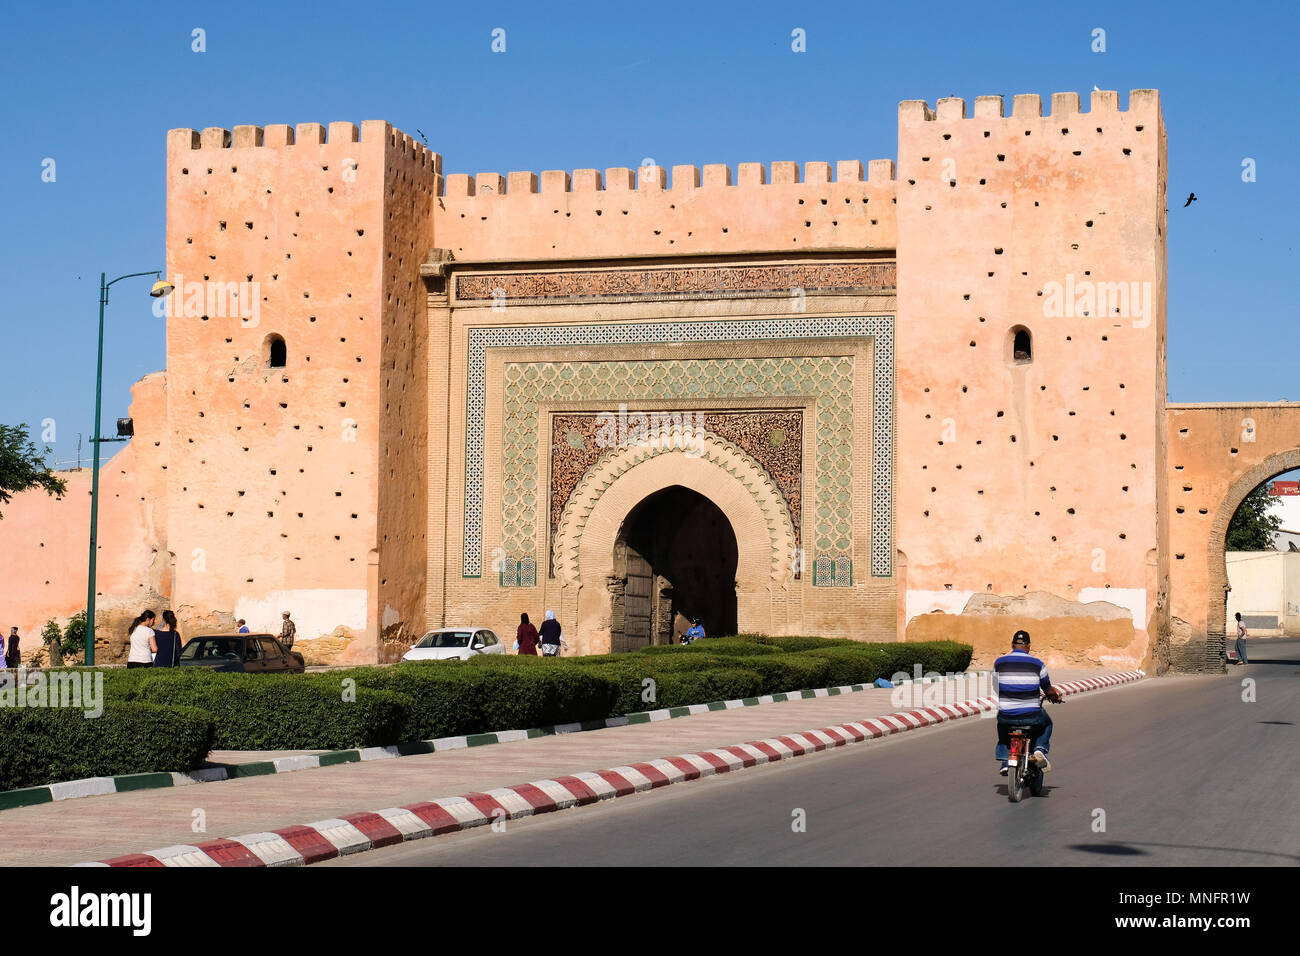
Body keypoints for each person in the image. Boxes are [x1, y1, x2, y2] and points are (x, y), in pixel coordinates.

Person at [992, 630, 1062, 776]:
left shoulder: (999, 662)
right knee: (1047, 723)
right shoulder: (1038, 664)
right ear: (1029, 646)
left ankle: (1005, 758)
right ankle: (1039, 749)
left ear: (1012, 645)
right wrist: (1055, 697)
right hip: (1031, 715)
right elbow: (1047, 689)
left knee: (1002, 723)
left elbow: (995, 685)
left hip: (1007, 714)